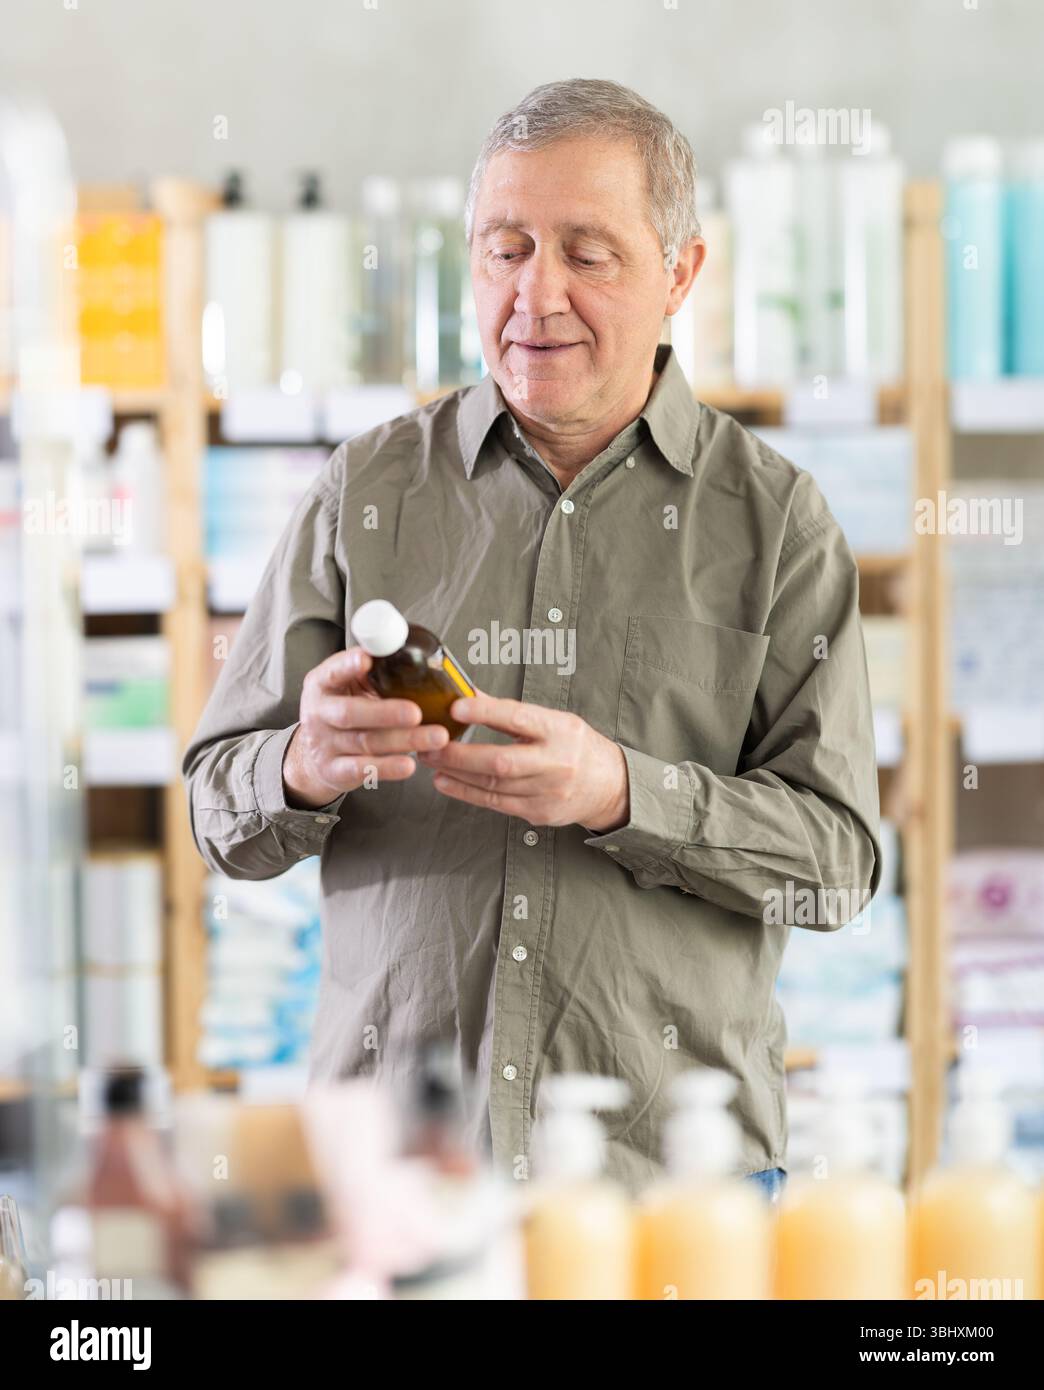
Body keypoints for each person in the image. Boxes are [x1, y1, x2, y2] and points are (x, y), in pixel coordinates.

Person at [183, 78, 881, 1195]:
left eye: (586, 253)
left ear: (681, 273)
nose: (534, 293)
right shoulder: (364, 493)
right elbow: (217, 811)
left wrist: (623, 792)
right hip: (398, 1188)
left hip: (667, 1195)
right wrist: (300, 766)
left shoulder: (775, 524)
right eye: (504, 249)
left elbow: (838, 865)